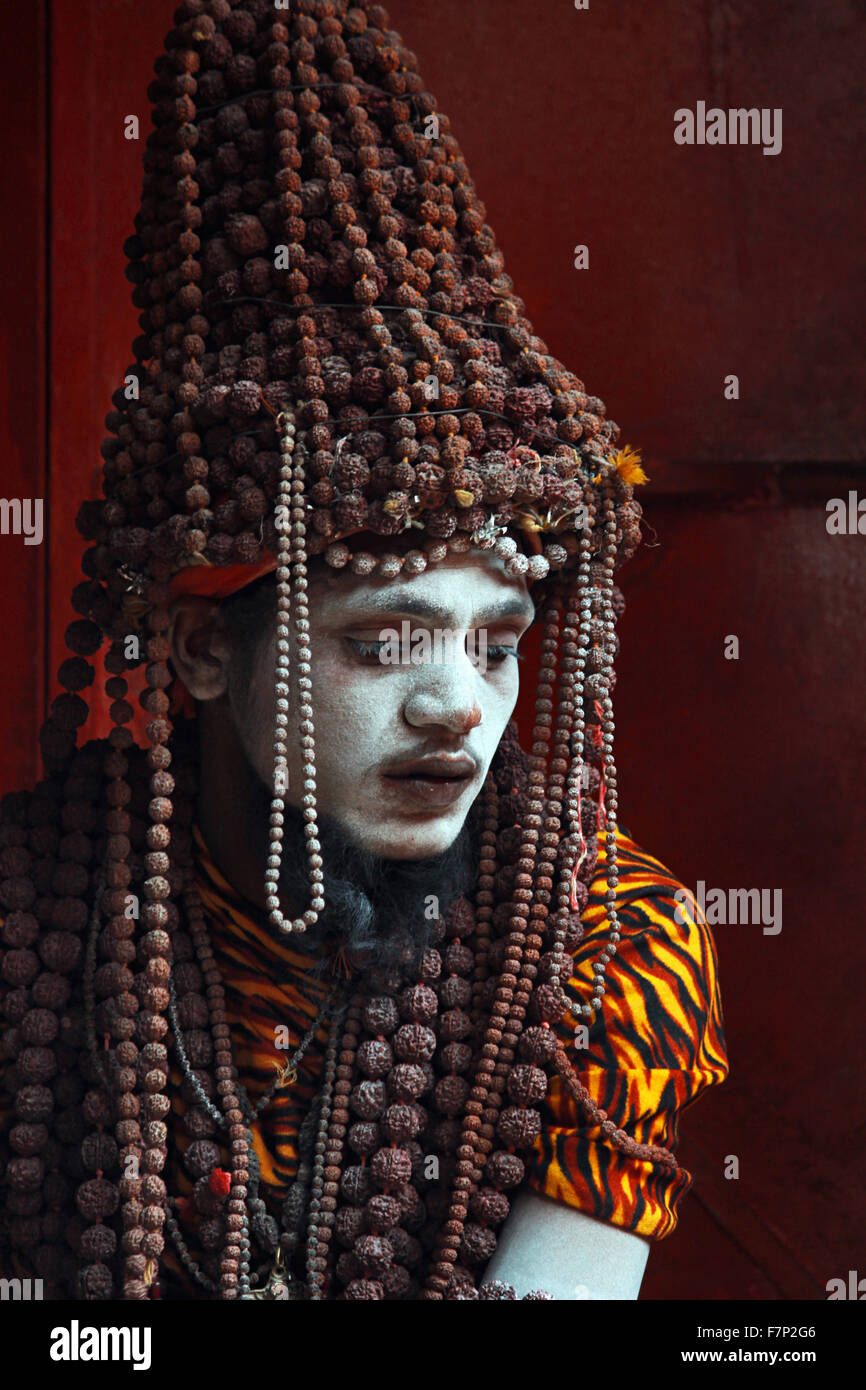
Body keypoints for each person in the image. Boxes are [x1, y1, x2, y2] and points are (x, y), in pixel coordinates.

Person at [0, 0, 728, 1301]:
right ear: (199, 651)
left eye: (498, 644)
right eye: (386, 638)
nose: (458, 704)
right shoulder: (30, 917)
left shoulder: (614, 946)